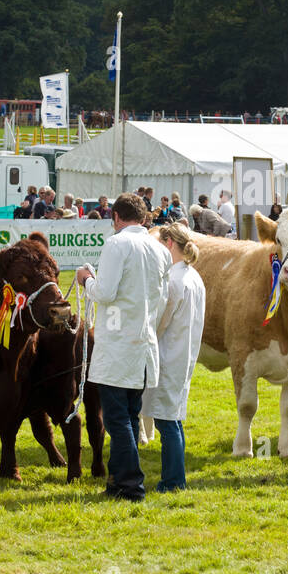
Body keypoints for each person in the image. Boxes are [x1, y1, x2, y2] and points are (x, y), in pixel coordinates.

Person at [76, 193, 171, 502]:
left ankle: (130, 484)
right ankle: (118, 481)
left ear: (116, 216)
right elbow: (162, 297)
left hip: (119, 346)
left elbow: (104, 292)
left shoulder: (117, 244)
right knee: (128, 417)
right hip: (143, 343)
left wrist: (86, 279)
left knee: (117, 420)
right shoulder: (159, 249)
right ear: (143, 217)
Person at [143, 223, 206, 492]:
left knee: (167, 422)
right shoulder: (193, 276)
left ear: (169, 244)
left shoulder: (174, 280)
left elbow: (160, 322)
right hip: (184, 354)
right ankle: (174, 478)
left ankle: (173, 480)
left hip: (168, 356)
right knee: (173, 419)